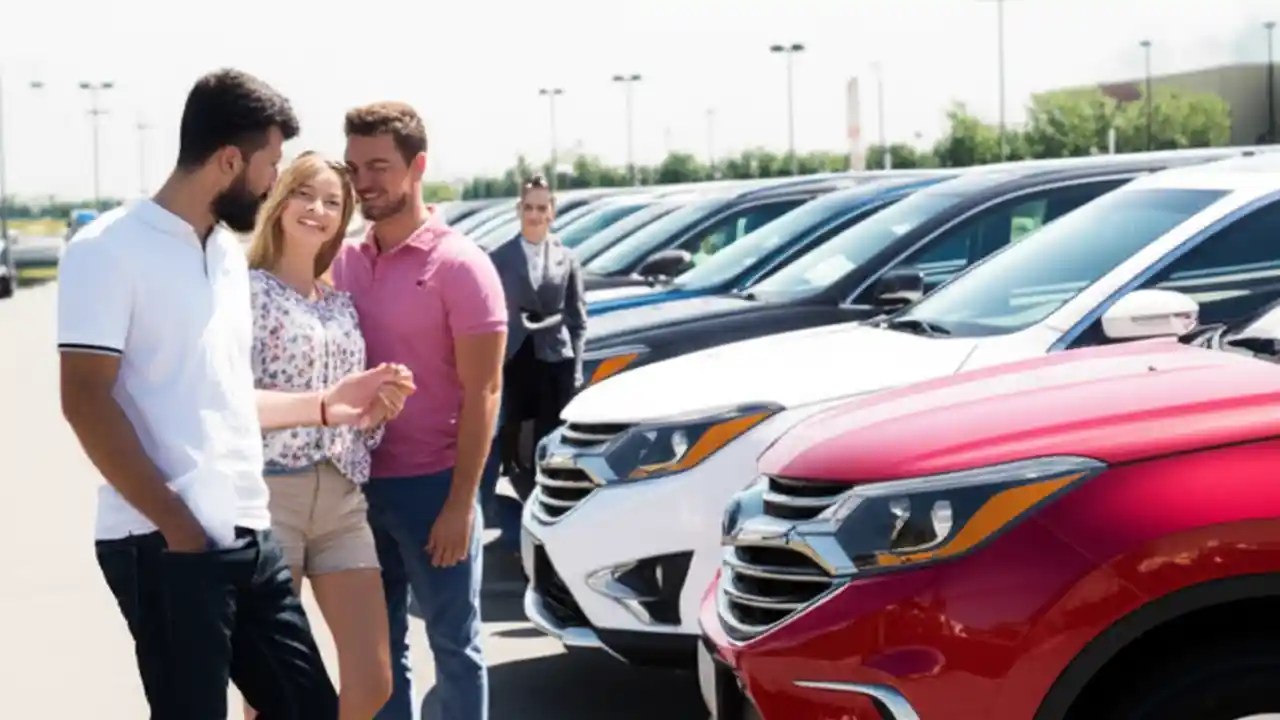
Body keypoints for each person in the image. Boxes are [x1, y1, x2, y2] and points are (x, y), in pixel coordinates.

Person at [56, 68, 414, 720]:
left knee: (307, 708)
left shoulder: (223, 254)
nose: (273, 181)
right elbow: (84, 400)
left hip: (248, 537)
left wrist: (328, 404)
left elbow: (227, 400)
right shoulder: (105, 250)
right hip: (162, 544)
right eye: (270, 164)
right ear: (228, 160)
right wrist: (178, 527)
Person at [332, 101, 506, 720]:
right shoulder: (344, 261)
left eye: (379, 166)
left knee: (454, 645)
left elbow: (485, 391)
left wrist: (461, 503)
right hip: (355, 490)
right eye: (354, 168)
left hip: (435, 489)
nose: (364, 183)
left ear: (418, 166)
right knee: (378, 652)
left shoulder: (461, 267)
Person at [244, 152, 393, 720]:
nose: (319, 210)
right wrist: (325, 407)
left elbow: (352, 418)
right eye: (307, 194)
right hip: (268, 498)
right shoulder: (247, 292)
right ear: (280, 200)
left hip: (341, 500)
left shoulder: (342, 307)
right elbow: (227, 404)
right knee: (270, 692)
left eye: (334, 202)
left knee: (373, 679)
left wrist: (376, 411)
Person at [488, 174, 587, 503]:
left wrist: (577, 368)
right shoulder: (499, 259)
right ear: (519, 209)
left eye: (542, 207)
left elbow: (578, 318)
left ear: (552, 211)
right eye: (529, 207)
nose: (535, 214)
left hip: (554, 358)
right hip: (515, 359)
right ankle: (514, 496)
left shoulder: (567, 256)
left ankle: (546, 500)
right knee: (514, 443)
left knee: (550, 438)